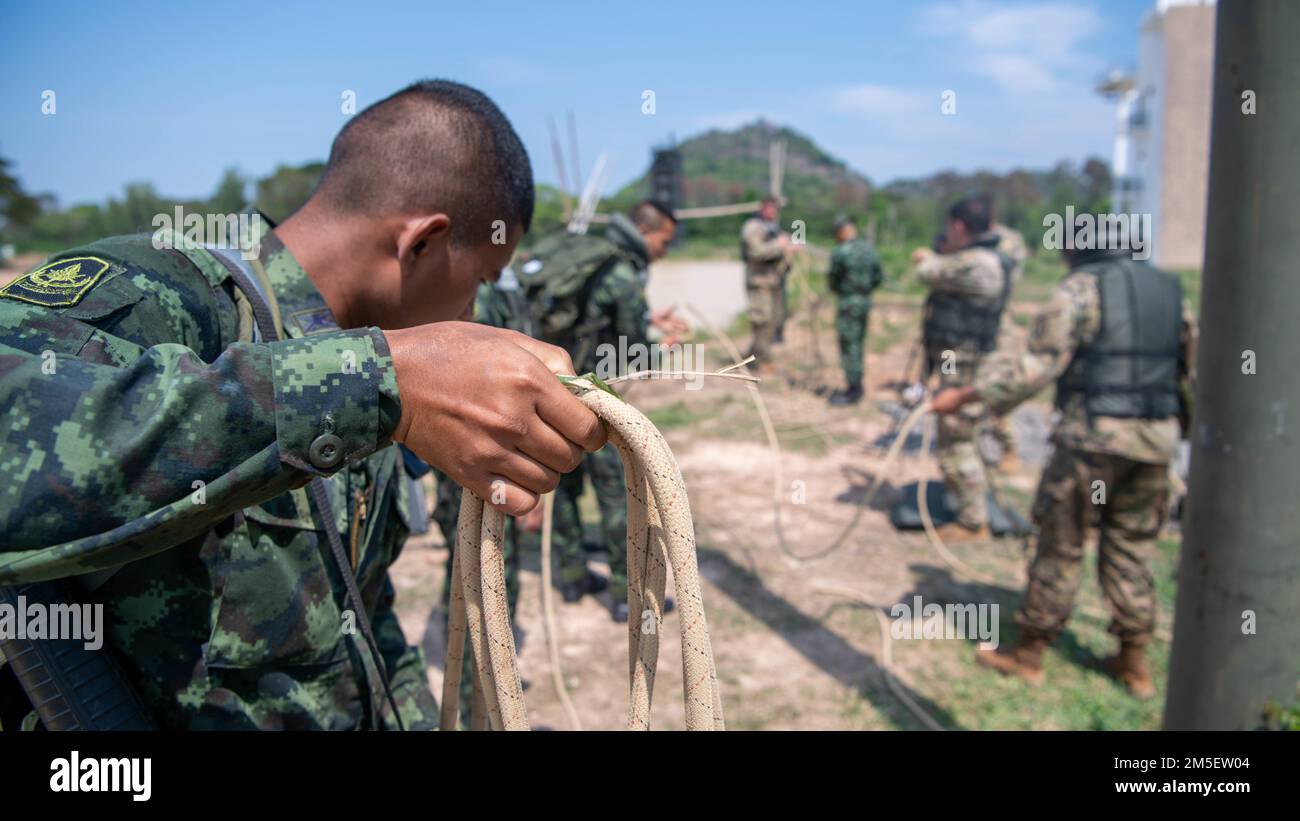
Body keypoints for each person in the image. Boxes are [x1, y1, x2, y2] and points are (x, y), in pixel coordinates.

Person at [0, 79, 607, 730]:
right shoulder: (166, 293)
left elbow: (366, 626)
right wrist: (373, 382)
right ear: (422, 242)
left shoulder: (357, 360)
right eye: (479, 282)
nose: (472, 314)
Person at [930, 231, 1196, 698]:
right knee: (1132, 548)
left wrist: (968, 397)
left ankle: (1028, 654)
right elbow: (1187, 372)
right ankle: (1134, 662)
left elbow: (1036, 367)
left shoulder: (1079, 290)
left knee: (1061, 543)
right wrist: (1182, 429)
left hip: (1091, 440)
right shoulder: (1173, 293)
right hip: (1155, 441)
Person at [543, 201, 682, 620]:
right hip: (596, 399)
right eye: (664, 240)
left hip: (553, 390)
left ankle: (571, 578)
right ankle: (629, 596)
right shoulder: (621, 273)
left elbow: (591, 321)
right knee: (617, 496)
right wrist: (663, 347)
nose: (665, 250)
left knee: (562, 487)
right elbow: (636, 351)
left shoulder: (588, 261)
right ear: (644, 230)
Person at [911, 196, 1014, 541]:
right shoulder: (992, 257)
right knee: (963, 434)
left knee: (956, 439)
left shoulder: (974, 262)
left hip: (964, 363)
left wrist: (926, 257)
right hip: (968, 358)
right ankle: (964, 500)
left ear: (958, 226)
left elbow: (927, 273)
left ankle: (972, 521)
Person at [826, 215, 884, 406]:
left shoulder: (840, 252)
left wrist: (845, 292)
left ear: (841, 232)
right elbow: (878, 277)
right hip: (864, 301)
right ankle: (857, 384)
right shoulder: (869, 250)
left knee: (849, 344)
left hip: (848, 303)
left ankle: (853, 389)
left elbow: (833, 280)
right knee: (858, 342)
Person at [740, 196, 793, 370]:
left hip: (774, 281)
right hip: (759, 282)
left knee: (774, 320)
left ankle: (759, 355)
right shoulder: (752, 227)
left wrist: (788, 250)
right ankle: (759, 360)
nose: (773, 211)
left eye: (775, 208)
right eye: (769, 207)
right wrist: (779, 246)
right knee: (762, 320)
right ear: (762, 208)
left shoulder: (775, 228)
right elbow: (755, 251)